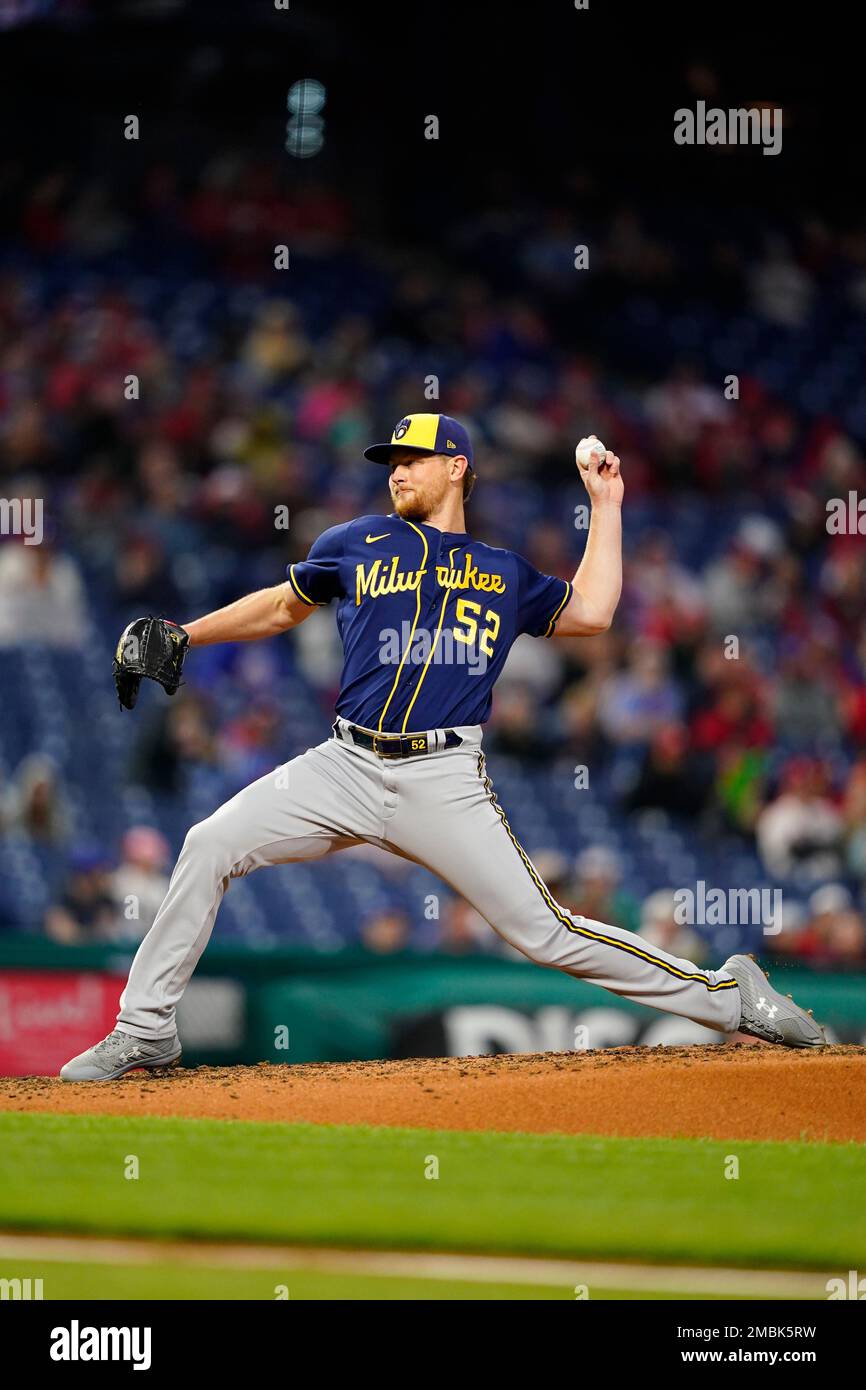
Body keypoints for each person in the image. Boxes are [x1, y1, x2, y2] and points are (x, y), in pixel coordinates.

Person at [60, 413, 825, 1079]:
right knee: (208, 841)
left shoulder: (502, 571)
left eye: (411, 460)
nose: (396, 471)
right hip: (344, 763)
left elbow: (592, 611)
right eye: (390, 462)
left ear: (456, 466)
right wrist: (185, 633)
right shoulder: (354, 542)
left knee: (545, 933)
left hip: (444, 777)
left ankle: (732, 993)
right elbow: (280, 606)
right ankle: (146, 1028)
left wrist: (607, 505)